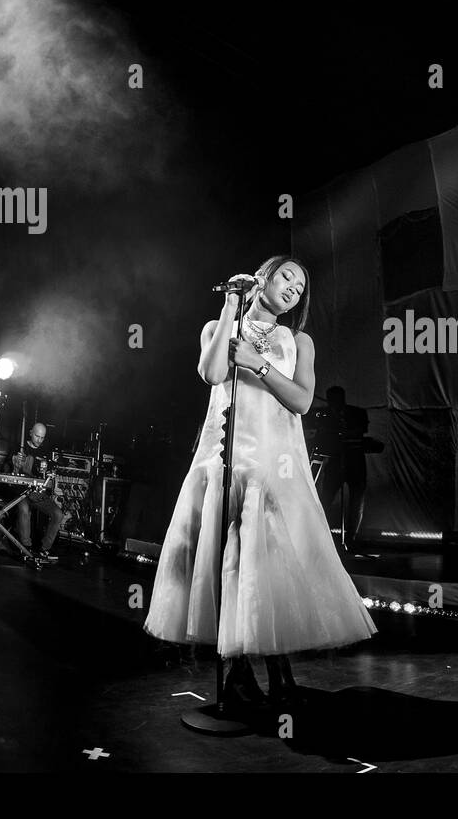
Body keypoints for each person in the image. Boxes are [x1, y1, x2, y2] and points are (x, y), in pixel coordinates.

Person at [144, 255, 377, 715]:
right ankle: (238, 673)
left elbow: (302, 401)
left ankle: (276, 671)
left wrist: (257, 364)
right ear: (263, 277)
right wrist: (232, 305)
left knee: (267, 568)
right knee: (226, 565)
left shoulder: (299, 340)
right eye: (287, 276)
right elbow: (212, 374)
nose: (293, 288)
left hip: (274, 467)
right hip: (224, 462)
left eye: (300, 287)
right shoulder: (218, 328)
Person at [311, 386, 370, 547]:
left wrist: (343, 432)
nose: (334, 402)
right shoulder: (324, 414)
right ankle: (319, 536)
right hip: (335, 463)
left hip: (355, 462)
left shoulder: (356, 413)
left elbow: (361, 430)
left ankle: (351, 538)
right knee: (326, 498)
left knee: (356, 501)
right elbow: (320, 434)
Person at [8, 422, 66, 564]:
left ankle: (44, 549)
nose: (39, 440)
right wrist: (15, 462)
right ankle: (26, 548)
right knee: (24, 509)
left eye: (42, 437)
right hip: (20, 491)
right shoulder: (19, 447)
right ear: (30, 433)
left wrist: (51, 473)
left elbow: (49, 471)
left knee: (58, 514)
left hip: (37, 493)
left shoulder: (45, 452)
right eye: (37, 436)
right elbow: (10, 469)